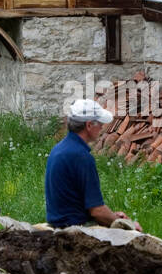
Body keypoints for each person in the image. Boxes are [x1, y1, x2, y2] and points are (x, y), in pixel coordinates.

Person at [45, 99, 142, 231]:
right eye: (100, 123)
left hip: (59, 222)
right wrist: (126, 225)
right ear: (89, 125)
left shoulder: (59, 149)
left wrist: (113, 217)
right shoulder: (81, 157)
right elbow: (97, 211)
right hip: (75, 227)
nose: (102, 127)